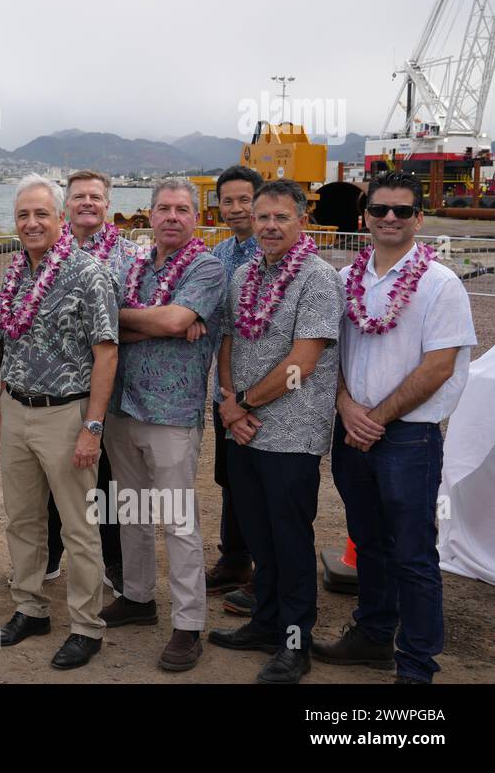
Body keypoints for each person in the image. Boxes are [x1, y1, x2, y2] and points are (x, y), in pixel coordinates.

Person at [314, 171, 476, 684]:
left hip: (407, 439)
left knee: (412, 553)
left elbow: (439, 365)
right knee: (368, 541)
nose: (389, 218)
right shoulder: (345, 281)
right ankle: (373, 635)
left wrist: (374, 419)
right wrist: (344, 406)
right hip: (353, 431)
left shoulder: (440, 283)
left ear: (418, 218)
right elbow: (330, 352)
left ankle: (416, 666)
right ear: (365, 216)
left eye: (402, 211)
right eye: (380, 209)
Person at [208, 179, 343, 684]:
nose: (268, 225)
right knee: (258, 535)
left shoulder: (318, 279)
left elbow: (303, 362)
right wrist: (228, 403)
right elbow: (227, 342)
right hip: (242, 429)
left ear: (302, 221)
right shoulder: (243, 273)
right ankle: (265, 623)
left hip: (291, 434)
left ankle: (295, 641)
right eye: (262, 217)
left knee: (288, 538)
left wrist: (243, 404)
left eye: (280, 217)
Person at [0, 174, 119, 669]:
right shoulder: (15, 273)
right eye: (23, 215)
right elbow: (10, 347)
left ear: (61, 219)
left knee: (79, 527)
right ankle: (30, 607)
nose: (31, 223)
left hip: (67, 414)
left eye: (41, 213)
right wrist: (2, 414)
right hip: (17, 409)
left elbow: (106, 354)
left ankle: (87, 626)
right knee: (22, 519)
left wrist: (92, 426)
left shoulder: (89, 274)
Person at [101, 177, 226, 673]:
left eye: (181, 209)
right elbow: (108, 324)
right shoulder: (131, 265)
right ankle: (136, 597)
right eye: (163, 209)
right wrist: (155, 319)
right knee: (129, 509)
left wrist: (151, 321)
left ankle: (189, 622)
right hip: (121, 408)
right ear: (148, 215)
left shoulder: (207, 267)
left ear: (195, 217)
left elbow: (177, 324)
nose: (171, 216)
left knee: (177, 519)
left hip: (172, 414)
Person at [48, 169, 138, 589]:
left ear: (108, 206)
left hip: (110, 386)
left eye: (95, 197)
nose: (87, 202)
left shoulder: (130, 257)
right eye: (79, 196)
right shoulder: (48, 252)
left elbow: (148, 314)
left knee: (107, 479)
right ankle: (50, 553)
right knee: (53, 471)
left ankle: (112, 562)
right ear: (66, 206)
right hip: (58, 386)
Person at [207, 166, 264, 614]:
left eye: (245, 200)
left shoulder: (276, 253)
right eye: (228, 201)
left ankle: (268, 574)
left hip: (268, 392)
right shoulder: (219, 255)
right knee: (231, 479)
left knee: (267, 484)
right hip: (224, 391)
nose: (237, 209)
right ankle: (234, 559)